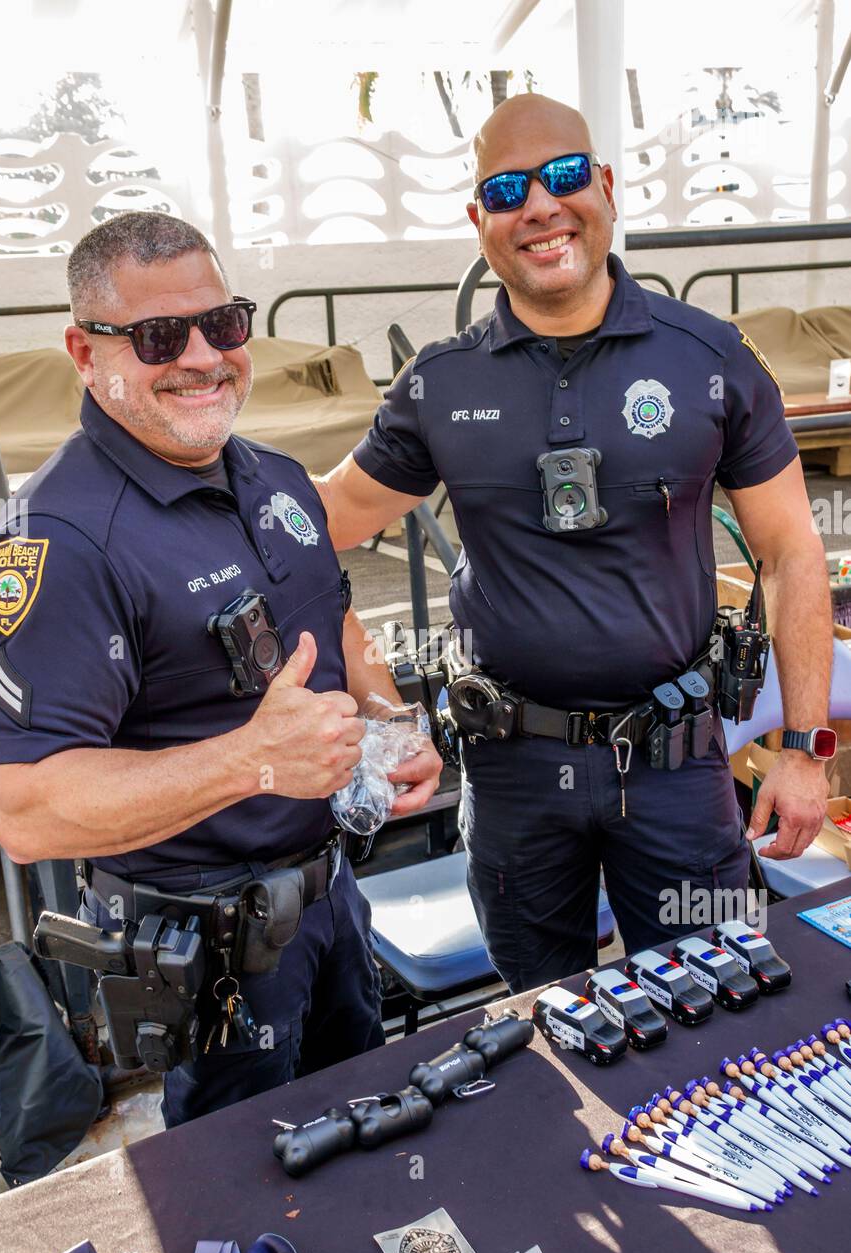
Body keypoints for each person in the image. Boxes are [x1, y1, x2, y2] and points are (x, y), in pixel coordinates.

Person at [315, 94, 832, 992]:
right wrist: (376, 699)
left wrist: (801, 749)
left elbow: (792, 554)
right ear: (480, 221)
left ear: (606, 188)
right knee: (544, 1027)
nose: (541, 208)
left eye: (561, 178)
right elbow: (316, 532)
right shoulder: (440, 385)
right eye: (509, 190)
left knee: (716, 998)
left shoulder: (707, 358)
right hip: (514, 777)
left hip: (677, 772)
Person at [0, 211, 441, 1125]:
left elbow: (335, 626)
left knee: (370, 1145)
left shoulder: (274, 477)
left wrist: (388, 724)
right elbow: (24, 810)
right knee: (238, 1208)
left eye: (223, 324)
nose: (203, 356)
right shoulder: (56, 540)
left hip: (333, 901)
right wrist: (253, 761)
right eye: (160, 336)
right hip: (204, 952)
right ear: (85, 352)